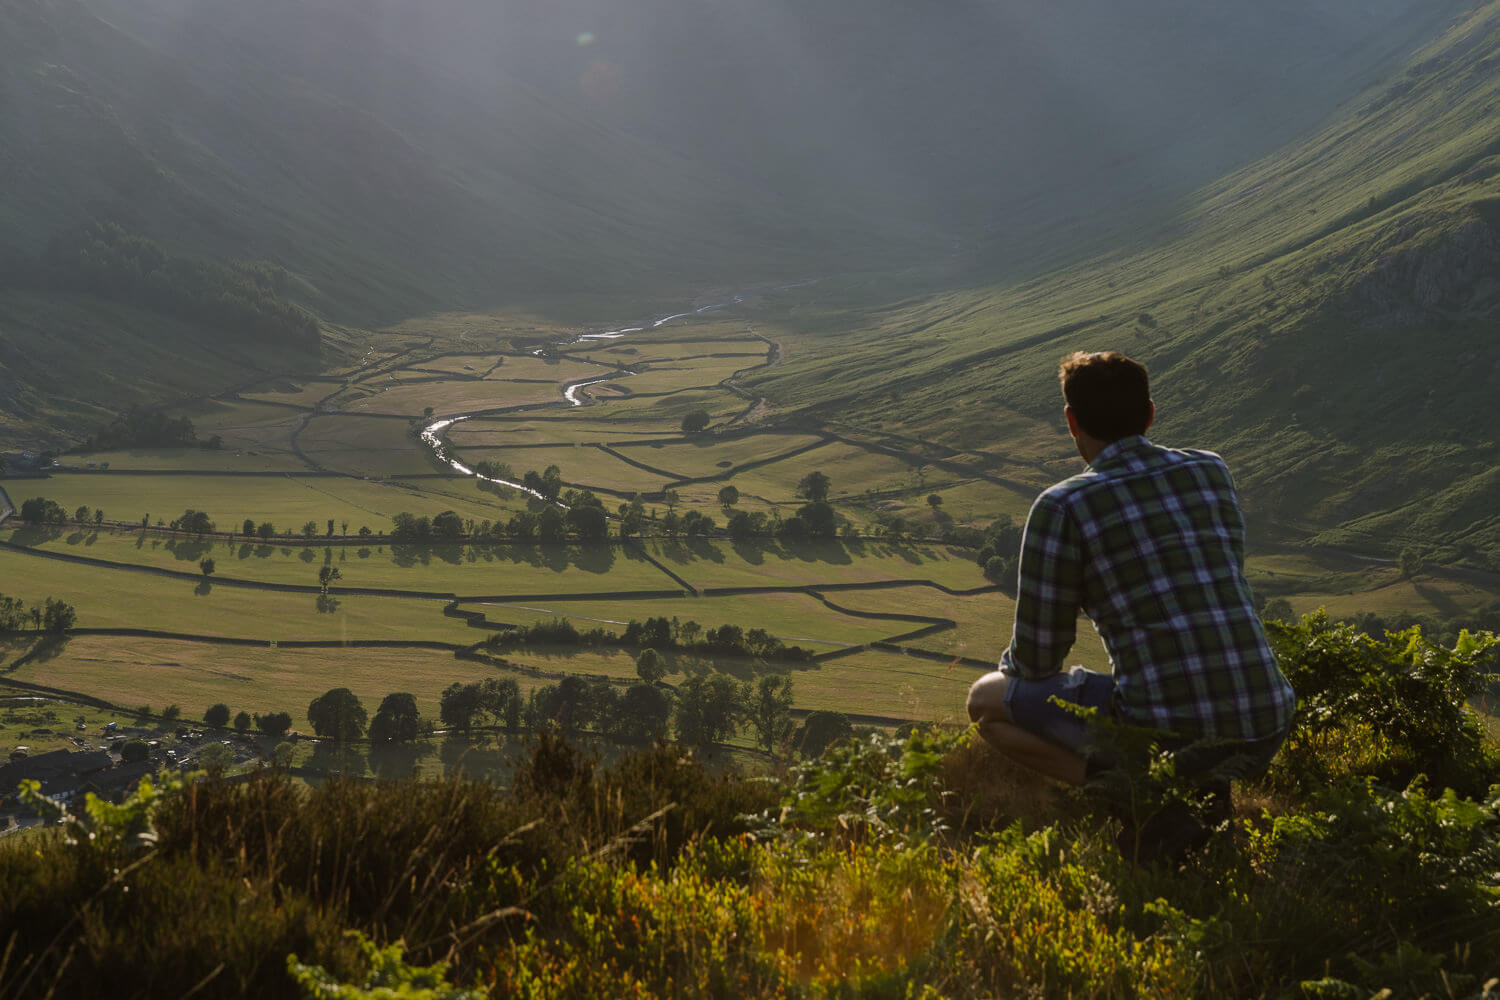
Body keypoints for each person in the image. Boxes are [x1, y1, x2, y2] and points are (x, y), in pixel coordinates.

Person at [966, 351, 1295, 794]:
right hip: (1266, 724)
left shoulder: (1063, 505)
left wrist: (1013, 672)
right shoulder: (1210, 469)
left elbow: (1037, 660)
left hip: (1164, 736)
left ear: (1072, 422)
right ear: (1150, 414)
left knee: (986, 700)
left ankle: (1119, 788)